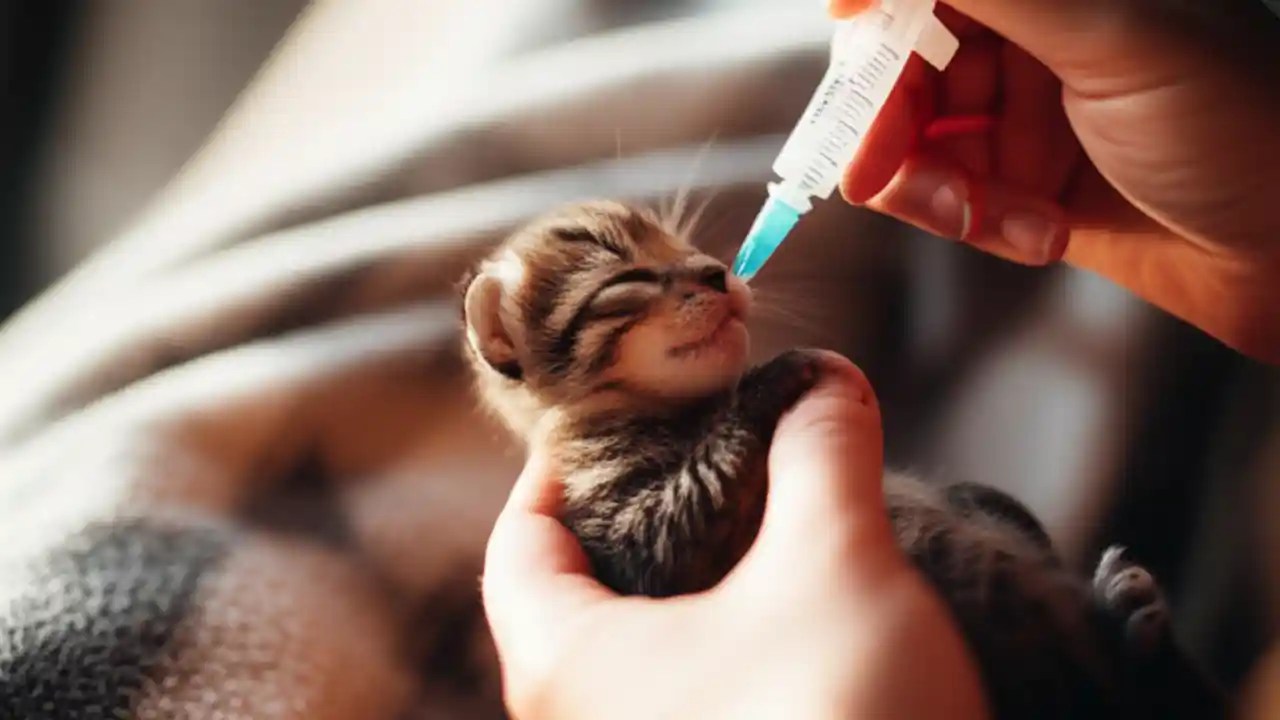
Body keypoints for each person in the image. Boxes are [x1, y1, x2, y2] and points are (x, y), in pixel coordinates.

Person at [481, 1, 1280, 717]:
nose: (707, 277)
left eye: (692, 256)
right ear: (508, 345)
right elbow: (660, 540)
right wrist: (762, 406)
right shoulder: (598, 476)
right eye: (633, 283)